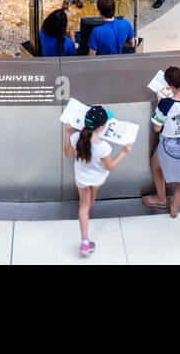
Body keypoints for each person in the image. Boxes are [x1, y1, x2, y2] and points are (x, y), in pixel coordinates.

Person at [64, 105, 131, 256]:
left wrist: (67, 133)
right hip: (97, 178)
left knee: (84, 204)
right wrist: (124, 152)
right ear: (101, 127)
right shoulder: (103, 147)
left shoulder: (76, 138)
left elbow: (68, 153)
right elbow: (110, 166)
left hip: (81, 177)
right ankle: (87, 214)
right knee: (90, 200)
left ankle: (84, 241)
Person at [141, 66, 180, 217]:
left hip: (168, 144)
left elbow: (157, 128)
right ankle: (174, 209)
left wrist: (159, 104)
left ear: (169, 87)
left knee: (155, 165)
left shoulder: (165, 104)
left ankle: (161, 198)